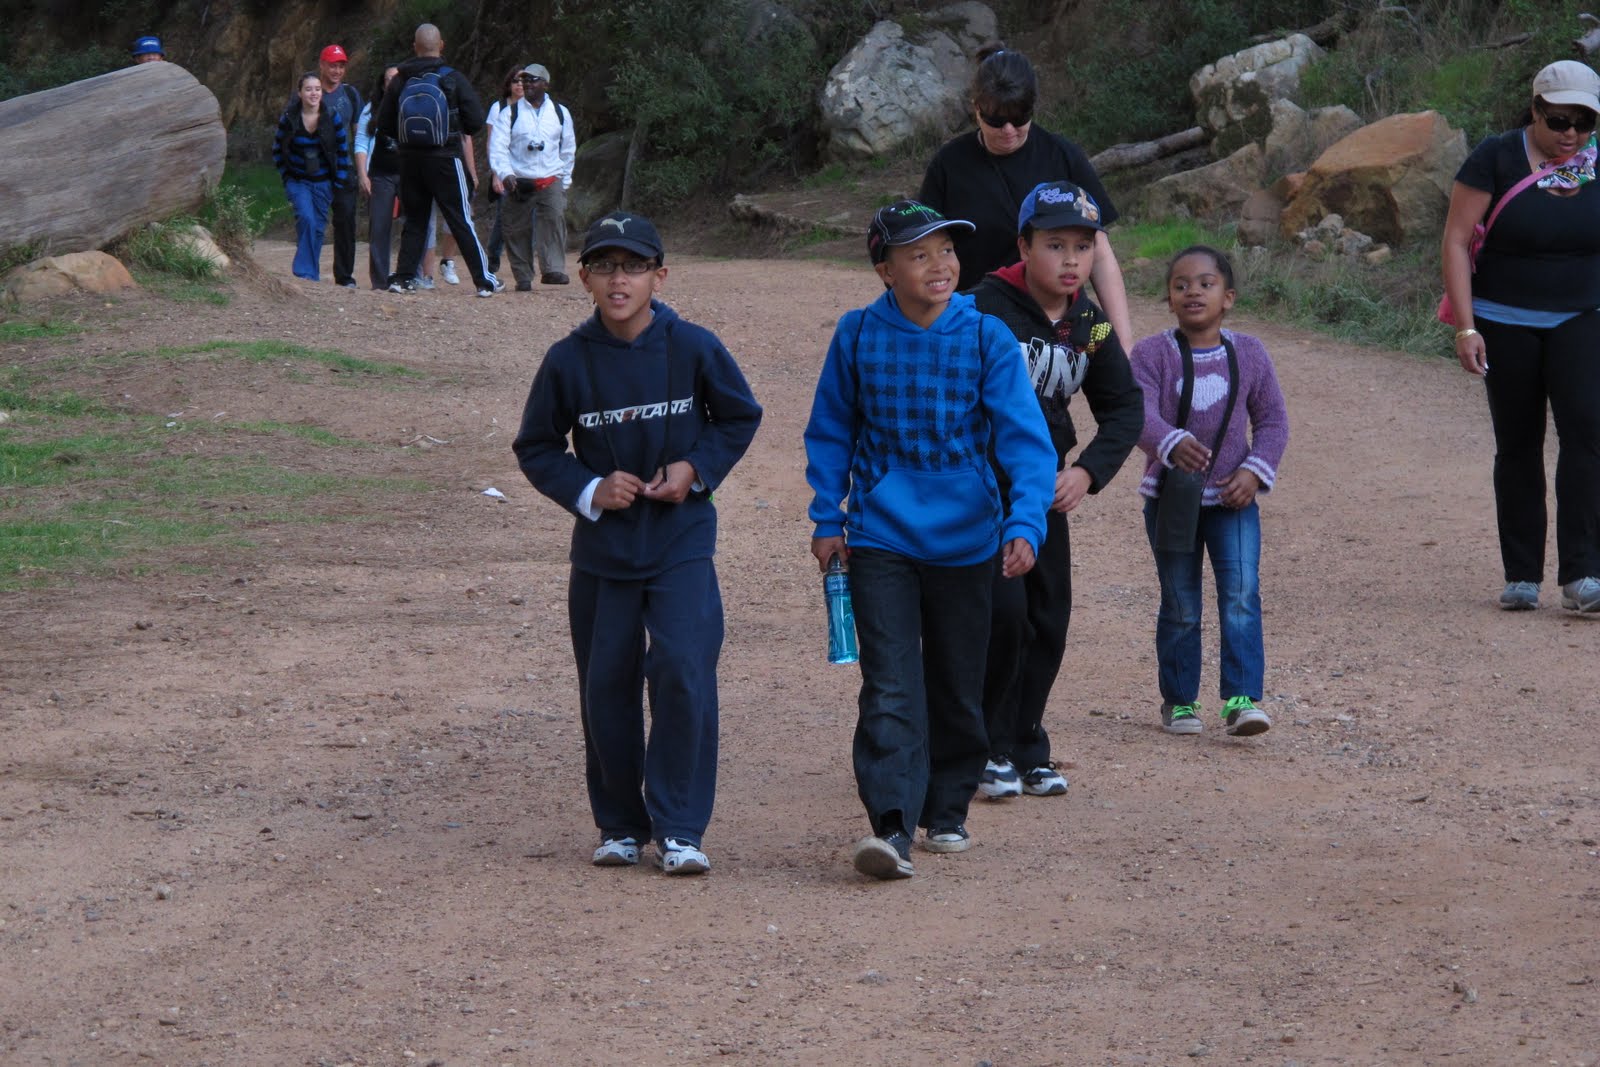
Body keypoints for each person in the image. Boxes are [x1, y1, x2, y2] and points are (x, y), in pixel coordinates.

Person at [803, 200, 1055, 880]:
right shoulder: (857, 336)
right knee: (889, 683)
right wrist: (828, 518)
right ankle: (891, 824)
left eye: (947, 250)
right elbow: (830, 431)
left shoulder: (986, 339)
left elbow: (1027, 442)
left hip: (969, 540)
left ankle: (946, 808)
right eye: (919, 254)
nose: (940, 265)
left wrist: (1025, 521)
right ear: (885, 269)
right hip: (882, 535)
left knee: (955, 683)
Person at [511, 212, 762, 875]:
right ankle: (621, 822)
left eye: (634, 267)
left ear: (660, 275)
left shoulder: (693, 347)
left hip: (680, 540)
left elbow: (739, 414)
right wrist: (591, 488)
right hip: (604, 554)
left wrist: (695, 469)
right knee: (606, 684)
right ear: (585, 277)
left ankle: (680, 825)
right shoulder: (568, 360)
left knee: (682, 667)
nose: (619, 280)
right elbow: (537, 446)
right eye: (605, 267)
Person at [969, 180, 1143, 800]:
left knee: (1049, 619)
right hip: (985, 493)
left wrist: (1087, 470)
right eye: (1054, 245)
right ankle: (983, 748)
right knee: (1004, 617)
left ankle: (1024, 743)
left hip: (1045, 494)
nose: (1071, 261)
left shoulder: (1088, 327)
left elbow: (1124, 406)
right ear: (1023, 245)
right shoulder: (982, 308)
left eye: (1083, 246)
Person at [1441, 59, 1600, 614]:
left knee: (1587, 435)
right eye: (1559, 120)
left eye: (1584, 121)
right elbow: (1457, 241)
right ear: (1534, 109)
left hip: (1584, 314)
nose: (1571, 134)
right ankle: (1522, 575)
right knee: (1518, 442)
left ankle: (1583, 575)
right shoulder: (1497, 156)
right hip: (1504, 319)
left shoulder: (1595, 162)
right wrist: (1465, 327)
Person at [1129, 247, 1289, 738]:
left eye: (1205, 283)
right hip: (1170, 501)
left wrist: (1254, 472)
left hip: (1232, 502)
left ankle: (1242, 700)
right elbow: (1138, 414)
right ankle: (1179, 702)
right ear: (1169, 299)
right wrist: (1170, 442)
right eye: (1181, 285)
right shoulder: (1152, 354)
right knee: (1180, 601)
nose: (1192, 291)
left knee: (1241, 593)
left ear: (1228, 297)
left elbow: (1273, 421)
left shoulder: (1251, 354)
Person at [918, 45, 1132, 342]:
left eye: (1019, 118)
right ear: (976, 108)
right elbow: (923, 254)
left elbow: (1100, 256)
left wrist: (1123, 345)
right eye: (996, 119)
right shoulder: (948, 164)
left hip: (1048, 331)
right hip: (970, 328)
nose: (1008, 130)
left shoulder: (1063, 157)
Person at [374, 22, 501, 297]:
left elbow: (382, 123)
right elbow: (476, 120)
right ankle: (484, 281)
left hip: (409, 161)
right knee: (459, 219)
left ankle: (404, 278)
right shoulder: (452, 77)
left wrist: (408, 140)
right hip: (445, 158)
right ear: (441, 45)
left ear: (414, 48)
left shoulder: (400, 80)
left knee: (416, 220)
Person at [489, 63, 577, 289]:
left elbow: (568, 149)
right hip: (519, 180)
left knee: (554, 221)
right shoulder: (510, 113)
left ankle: (553, 270)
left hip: (551, 178)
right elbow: (498, 147)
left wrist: (564, 180)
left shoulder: (560, 113)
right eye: (524, 80)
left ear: (545, 84)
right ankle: (523, 277)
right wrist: (506, 174)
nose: (527, 84)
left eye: (533, 80)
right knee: (516, 228)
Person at [272, 72, 351, 282]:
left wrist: (339, 180)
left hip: (324, 183)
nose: (313, 93)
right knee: (306, 218)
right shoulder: (289, 118)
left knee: (317, 228)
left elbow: (342, 150)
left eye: (317, 89)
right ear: (300, 93)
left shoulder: (331, 117)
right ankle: (304, 272)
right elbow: (278, 149)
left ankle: (311, 276)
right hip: (298, 181)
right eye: (308, 89)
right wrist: (286, 177)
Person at [315, 45, 362, 289]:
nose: (337, 70)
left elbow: (359, 134)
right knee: (313, 221)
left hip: (344, 169)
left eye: (341, 66)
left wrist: (362, 168)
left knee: (345, 222)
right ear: (322, 65)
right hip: (316, 169)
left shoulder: (351, 95)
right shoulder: (310, 92)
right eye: (332, 65)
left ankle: (344, 276)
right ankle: (309, 272)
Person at [355, 66, 404, 290]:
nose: (392, 84)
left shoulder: (411, 107)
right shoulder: (370, 110)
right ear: (383, 84)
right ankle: (380, 280)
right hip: (380, 174)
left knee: (415, 225)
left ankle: (409, 276)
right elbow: (361, 144)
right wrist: (363, 174)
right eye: (388, 80)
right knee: (380, 227)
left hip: (408, 173)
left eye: (397, 80)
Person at [484, 64, 527, 276]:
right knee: (504, 218)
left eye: (523, 81)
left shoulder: (535, 108)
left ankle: (523, 266)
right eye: (516, 81)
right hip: (506, 170)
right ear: (508, 84)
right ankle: (492, 260)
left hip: (528, 171)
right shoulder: (498, 108)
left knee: (530, 218)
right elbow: (492, 143)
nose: (520, 85)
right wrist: (496, 174)